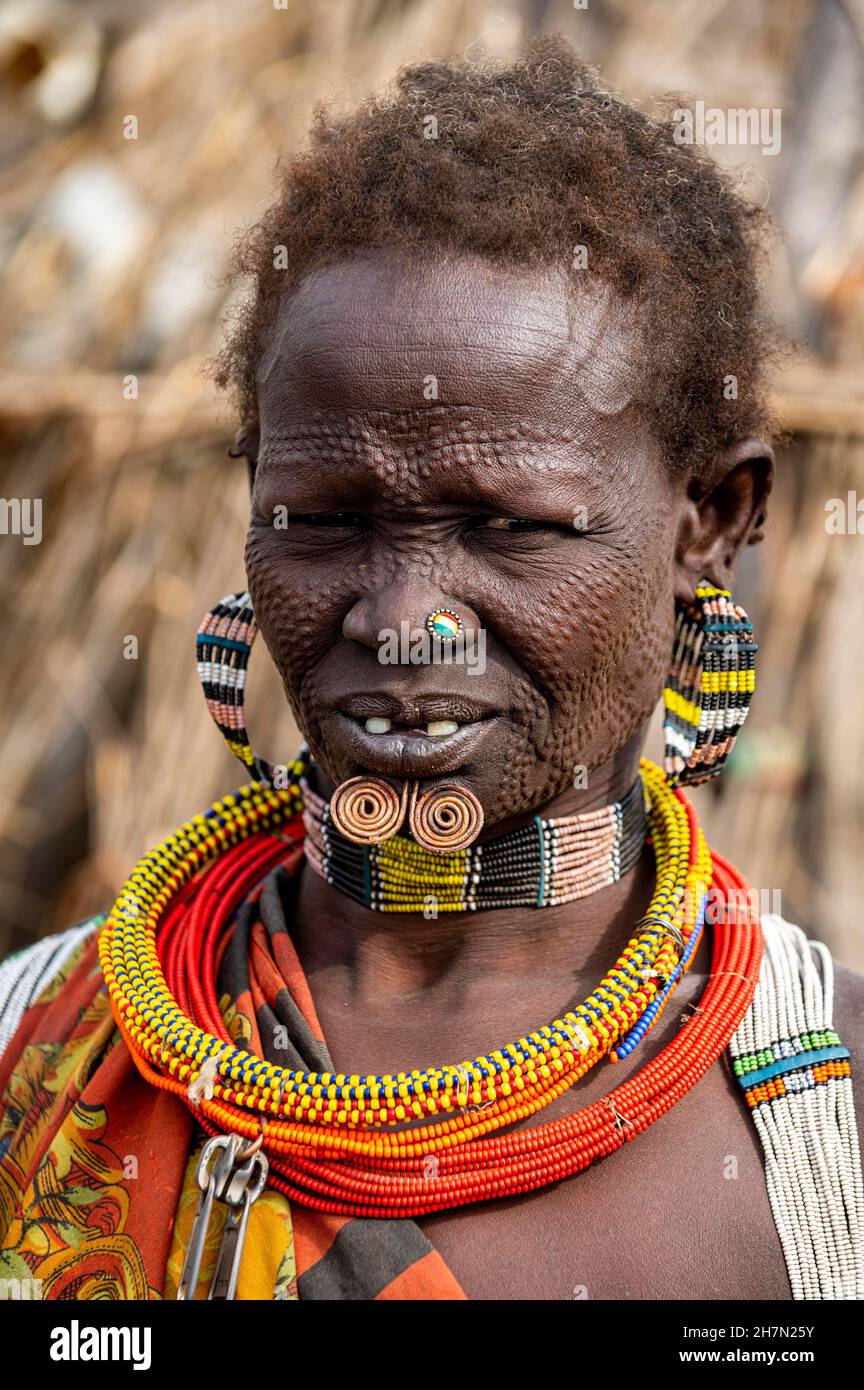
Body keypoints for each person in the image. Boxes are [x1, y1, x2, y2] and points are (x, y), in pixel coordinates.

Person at [1, 35, 861, 1303]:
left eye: (508, 527)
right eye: (328, 520)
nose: (405, 621)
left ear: (712, 519)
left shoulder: (825, 1120)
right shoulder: (37, 1041)